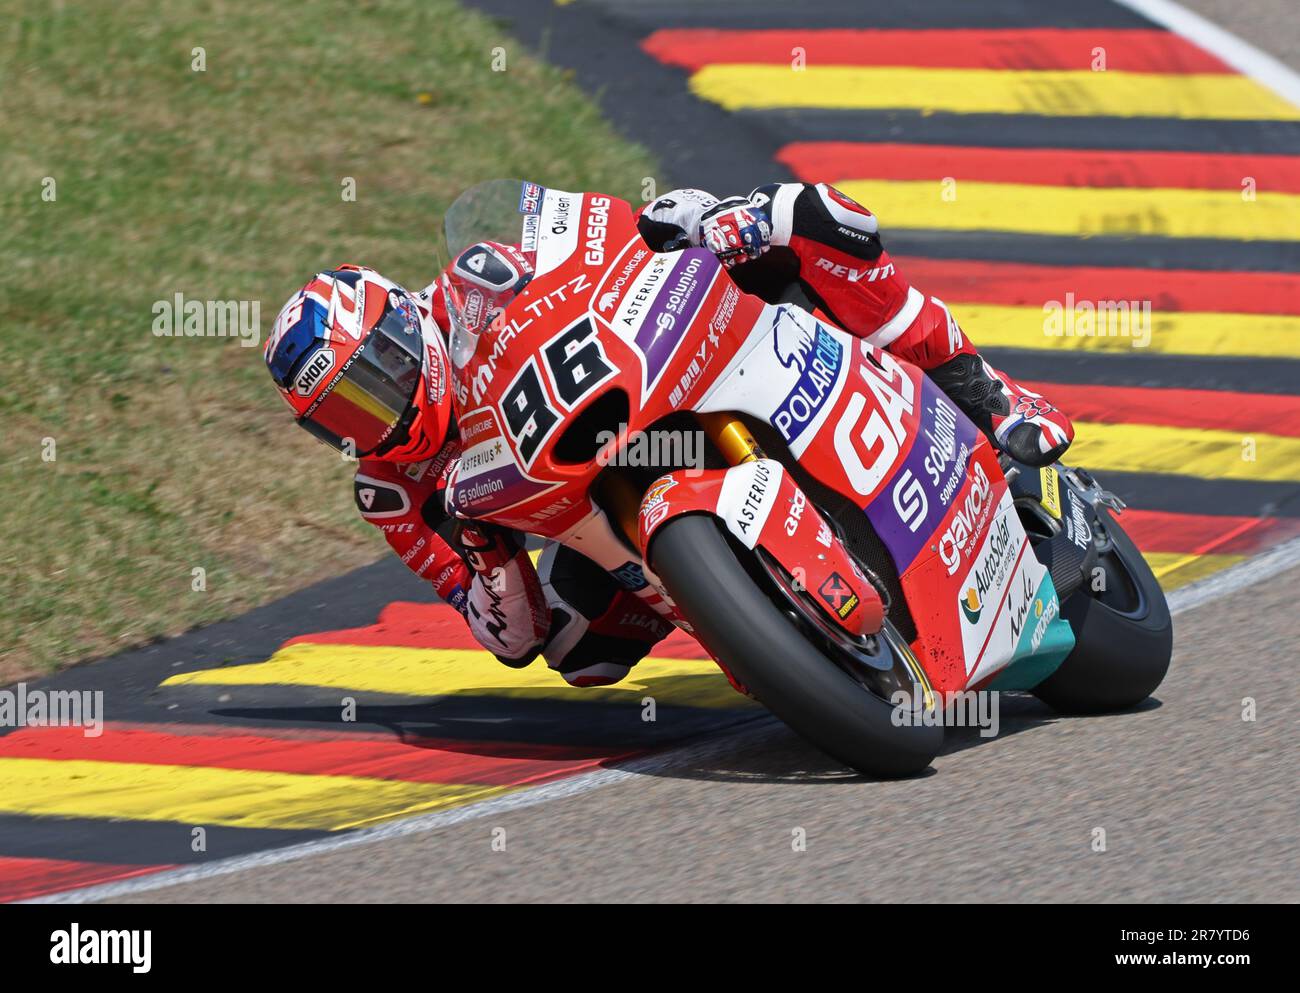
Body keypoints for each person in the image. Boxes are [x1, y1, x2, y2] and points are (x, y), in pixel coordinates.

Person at [265, 180, 1074, 688]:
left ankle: (985, 390)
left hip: (646, 376)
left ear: (406, 325)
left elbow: (607, 228)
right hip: (575, 504)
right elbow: (509, 635)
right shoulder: (391, 491)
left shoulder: (477, 278)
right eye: (345, 414)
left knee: (803, 217)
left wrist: (693, 223)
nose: (380, 415)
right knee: (580, 657)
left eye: (376, 380)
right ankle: (752, 616)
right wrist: (485, 558)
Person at [637, 183, 1073, 466]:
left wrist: (714, 217)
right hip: (657, 393)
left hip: (764, 332)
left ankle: (980, 389)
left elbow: (656, 215)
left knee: (818, 214)